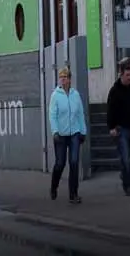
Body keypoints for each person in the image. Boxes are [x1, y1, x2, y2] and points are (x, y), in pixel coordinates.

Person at [48, 65, 87, 204]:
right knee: (60, 163)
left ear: (70, 79)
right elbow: (52, 115)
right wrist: (55, 131)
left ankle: (73, 193)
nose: (63, 80)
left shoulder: (75, 95)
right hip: (61, 134)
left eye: (65, 77)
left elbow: (80, 114)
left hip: (74, 133)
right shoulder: (55, 95)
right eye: (61, 77)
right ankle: (54, 186)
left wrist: (83, 131)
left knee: (74, 162)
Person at [106, 57, 130, 196]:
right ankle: (127, 185)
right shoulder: (115, 91)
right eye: (128, 75)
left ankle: (126, 176)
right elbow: (110, 110)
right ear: (121, 75)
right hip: (121, 129)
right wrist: (111, 127)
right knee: (124, 159)